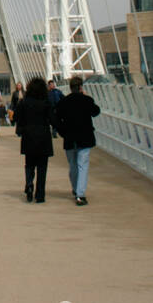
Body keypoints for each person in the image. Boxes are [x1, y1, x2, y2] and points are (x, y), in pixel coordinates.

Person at [54, 75, 101, 206]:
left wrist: (62, 132)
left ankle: (75, 189)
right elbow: (96, 111)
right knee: (83, 165)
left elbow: (56, 118)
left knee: (73, 165)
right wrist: (86, 96)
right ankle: (80, 194)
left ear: (70, 87)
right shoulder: (87, 100)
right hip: (85, 137)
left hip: (69, 138)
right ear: (81, 87)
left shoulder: (64, 102)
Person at [14, 77, 55, 203]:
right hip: (43, 137)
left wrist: (21, 127)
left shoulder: (24, 102)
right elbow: (53, 119)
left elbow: (16, 117)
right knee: (42, 167)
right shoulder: (46, 103)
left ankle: (29, 184)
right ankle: (40, 195)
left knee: (29, 164)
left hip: (29, 136)